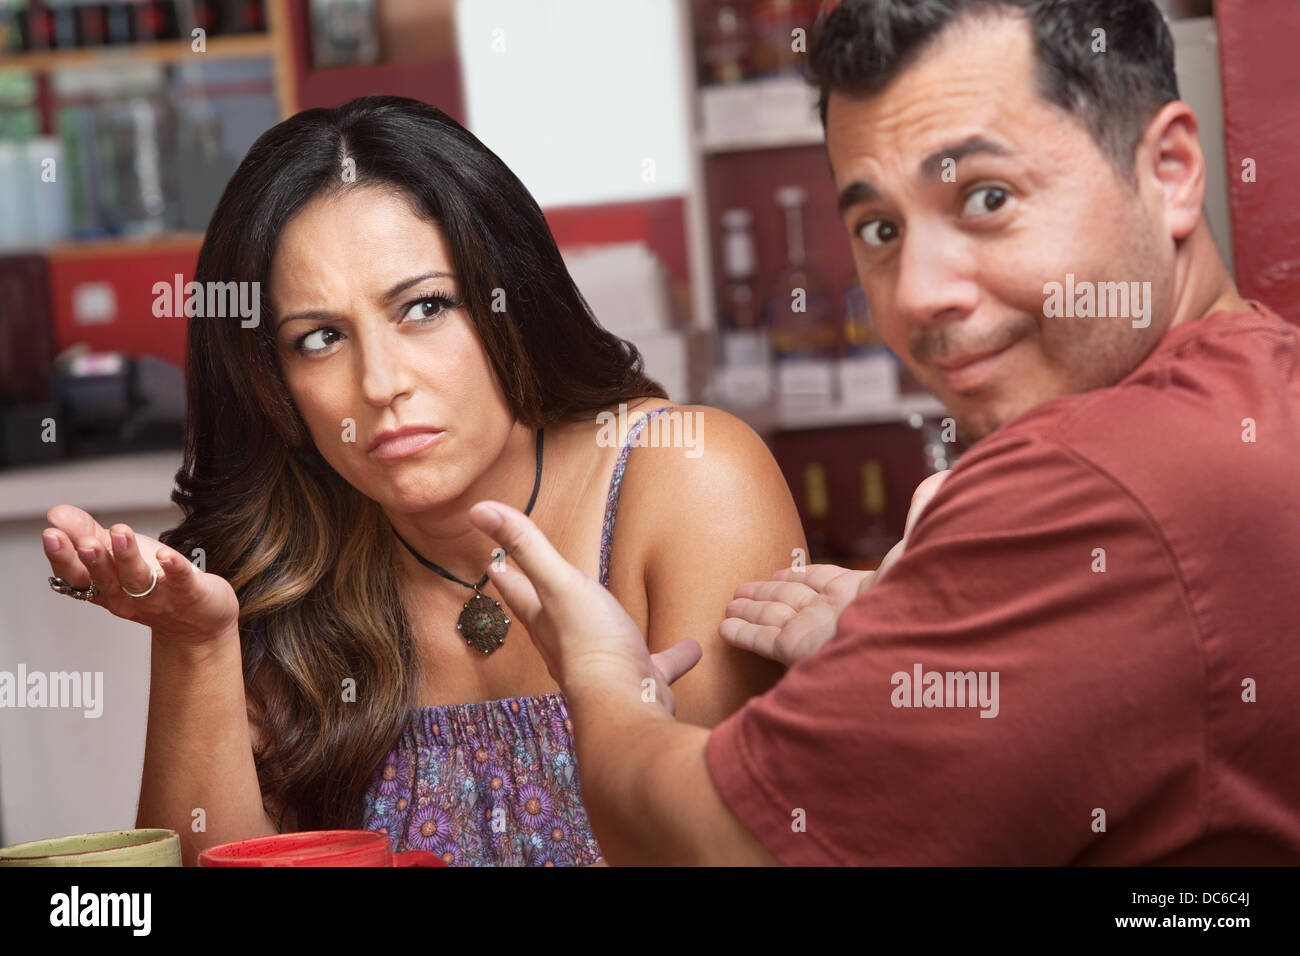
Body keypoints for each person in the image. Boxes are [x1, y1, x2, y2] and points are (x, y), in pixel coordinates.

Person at [458, 0, 1300, 864]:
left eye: (986, 196)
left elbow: (716, 847)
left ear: (1170, 170)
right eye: (880, 229)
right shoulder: (1257, 380)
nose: (918, 290)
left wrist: (603, 677)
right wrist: (927, 640)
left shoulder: (1088, 480)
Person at [39, 96, 802, 867]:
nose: (380, 382)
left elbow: (732, 854)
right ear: (275, 381)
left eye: (425, 307)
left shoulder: (689, 482)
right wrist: (196, 648)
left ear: (514, 299)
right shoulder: (287, 559)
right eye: (320, 338)